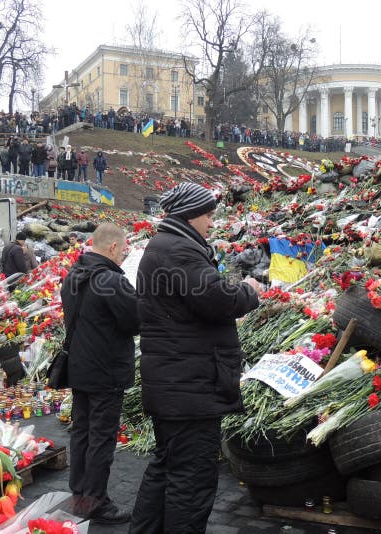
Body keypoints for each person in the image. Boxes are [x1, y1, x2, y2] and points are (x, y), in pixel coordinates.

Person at [129, 182, 261, 534]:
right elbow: (217, 299)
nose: (211, 223)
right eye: (208, 215)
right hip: (189, 387)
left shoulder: (164, 245)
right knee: (191, 481)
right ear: (190, 215)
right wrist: (249, 292)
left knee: (166, 469)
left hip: (175, 384)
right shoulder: (179, 250)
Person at [61, 223, 139, 524]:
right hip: (106, 369)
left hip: (79, 367)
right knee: (102, 437)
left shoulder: (73, 275)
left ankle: (79, 493)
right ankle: (96, 502)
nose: (124, 255)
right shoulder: (112, 280)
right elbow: (136, 321)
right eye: (124, 249)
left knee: (81, 431)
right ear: (113, 247)